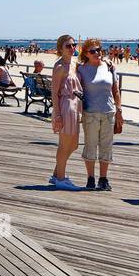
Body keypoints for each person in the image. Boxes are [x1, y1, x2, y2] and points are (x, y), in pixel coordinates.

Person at [76, 38, 121, 191]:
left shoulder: (109, 67)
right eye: (93, 51)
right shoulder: (81, 69)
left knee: (106, 147)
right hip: (90, 113)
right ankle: (90, 178)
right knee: (90, 145)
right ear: (86, 54)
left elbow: (115, 90)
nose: (97, 53)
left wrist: (119, 110)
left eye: (99, 50)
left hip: (109, 112)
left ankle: (103, 179)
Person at [48, 35, 83, 190]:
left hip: (76, 105)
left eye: (73, 45)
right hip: (66, 105)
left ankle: (57, 173)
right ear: (60, 49)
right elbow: (54, 92)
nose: (72, 48)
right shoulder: (60, 66)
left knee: (74, 144)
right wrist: (57, 113)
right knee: (64, 144)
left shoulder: (74, 64)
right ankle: (60, 179)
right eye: (68, 46)